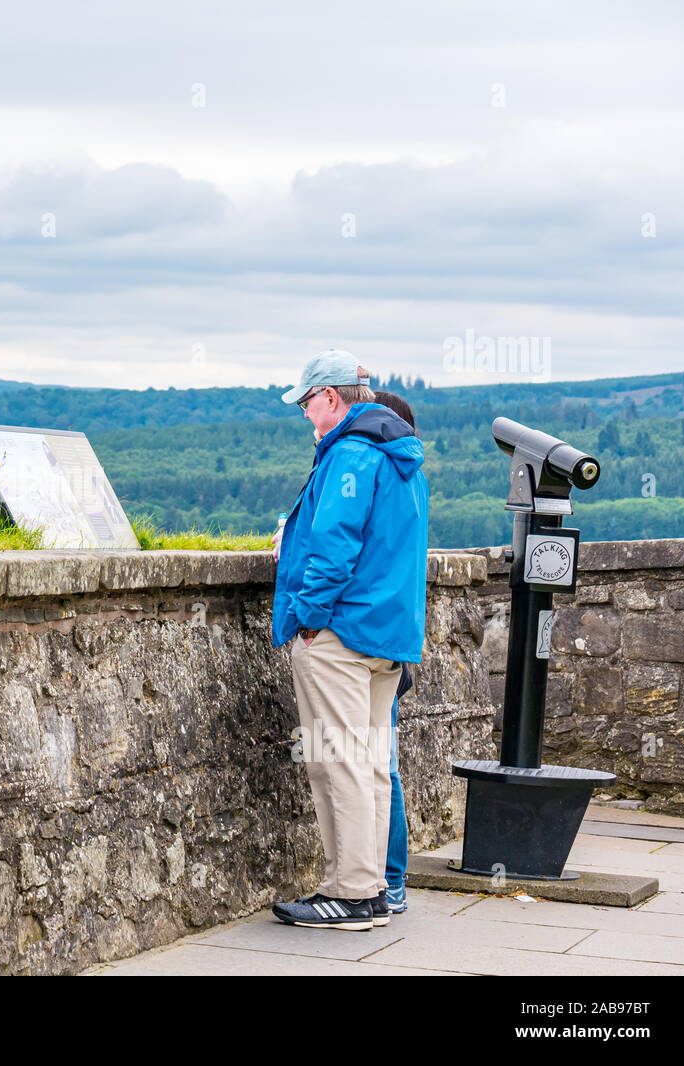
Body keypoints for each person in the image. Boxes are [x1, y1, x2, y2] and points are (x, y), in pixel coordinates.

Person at [269, 351, 428, 931]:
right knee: (369, 763)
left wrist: (309, 618)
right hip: (388, 636)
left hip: (341, 633)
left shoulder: (352, 454)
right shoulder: (403, 456)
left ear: (330, 397)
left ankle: (353, 892)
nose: (305, 412)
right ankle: (375, 888)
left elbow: (335, 545)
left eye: (307, 401)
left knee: (338, 761)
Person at [372, 389, 419, 916]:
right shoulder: (408, 482)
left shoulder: (383, 480)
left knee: (381, 767)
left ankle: (389, 880)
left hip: (376, 642)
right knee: (383, 765)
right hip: (395, 644)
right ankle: (390, 878)